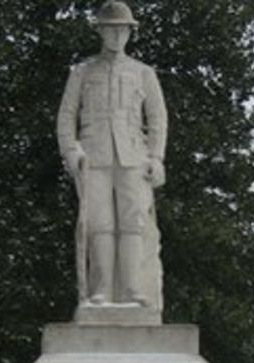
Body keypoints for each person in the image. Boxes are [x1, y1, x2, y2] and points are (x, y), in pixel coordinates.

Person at [57, 1, 167, 308]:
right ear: (101, 31)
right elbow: (66, 117)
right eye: (110, 29)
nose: (116, 35)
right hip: (94, 157)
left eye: (122, 30)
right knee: (99, 224)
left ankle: (133, 291)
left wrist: (156, 157)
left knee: (133, 224)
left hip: (133, 157)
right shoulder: (81, 72)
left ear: (129, 33)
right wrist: (71, 152)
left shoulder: (143, 73)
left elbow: (157, 118)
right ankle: (101, 291)